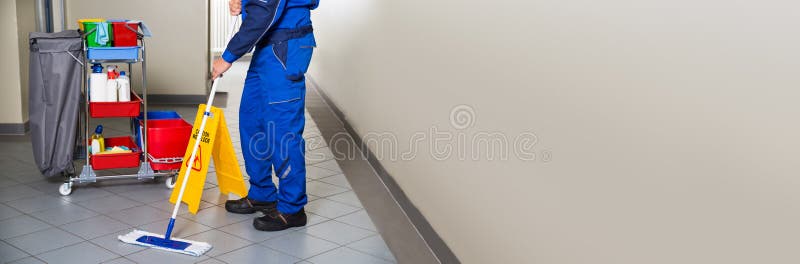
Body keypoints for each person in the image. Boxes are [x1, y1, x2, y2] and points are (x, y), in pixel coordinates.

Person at [211, 0, 319, 231]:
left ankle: (292, 208)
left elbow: (264, 13)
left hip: (286, 47)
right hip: (267, 45)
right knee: (252, 121)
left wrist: (227, 57)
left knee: (282, 130)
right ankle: (262, 193)